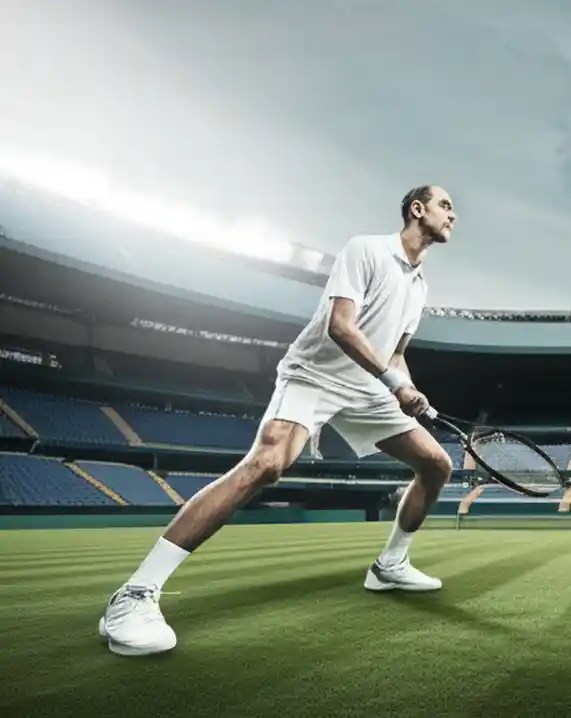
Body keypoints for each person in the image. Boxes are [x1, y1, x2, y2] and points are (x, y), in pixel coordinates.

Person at [99, 185, 458, 656]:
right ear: (418, 209)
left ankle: (389, 565)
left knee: (437, 465)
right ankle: (134, 594)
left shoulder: (420, 285)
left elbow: (395, 352)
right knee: (267, 464)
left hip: (370, 388)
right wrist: (397, 383)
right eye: (446, 206)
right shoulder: (366, 249)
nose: (453, 215)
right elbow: (340, 327)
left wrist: (408, 389)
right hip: (314, 375)